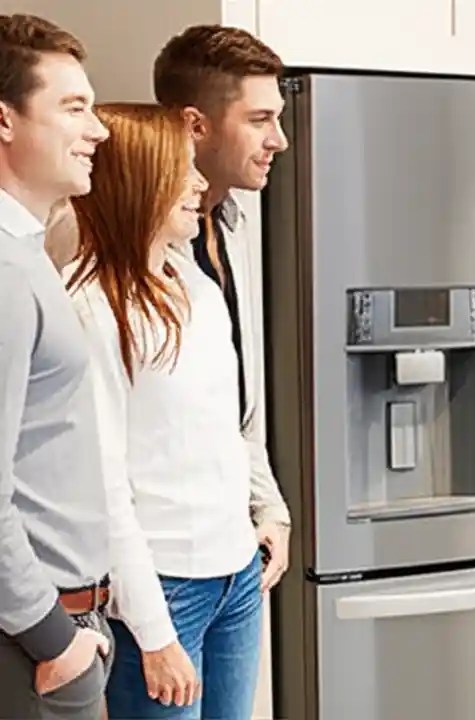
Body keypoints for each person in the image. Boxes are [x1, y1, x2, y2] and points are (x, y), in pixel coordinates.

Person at [64, 103, 261, 718]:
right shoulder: (89, 309)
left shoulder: (196, 286)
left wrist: (262, 515)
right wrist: (154, 633)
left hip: (238, 578)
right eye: (182, 170)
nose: (200, 184)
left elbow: (224, 430)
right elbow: (104, 484)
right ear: (137, 181)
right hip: (163, 588)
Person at [0, 14, 114, 719]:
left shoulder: (26, 259)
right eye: (73, 107)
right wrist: (52, 637)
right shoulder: (5, 273)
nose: (98, 129)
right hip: (31, 646)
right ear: (5, 122)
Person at [152, 24, 292, 596]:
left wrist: (270, 507)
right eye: (260, 120)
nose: (279, 139)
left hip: (235, 549)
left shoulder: (236, 223)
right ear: (195, 125)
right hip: (167, 565)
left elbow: (237, 405)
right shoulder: (131, 245)